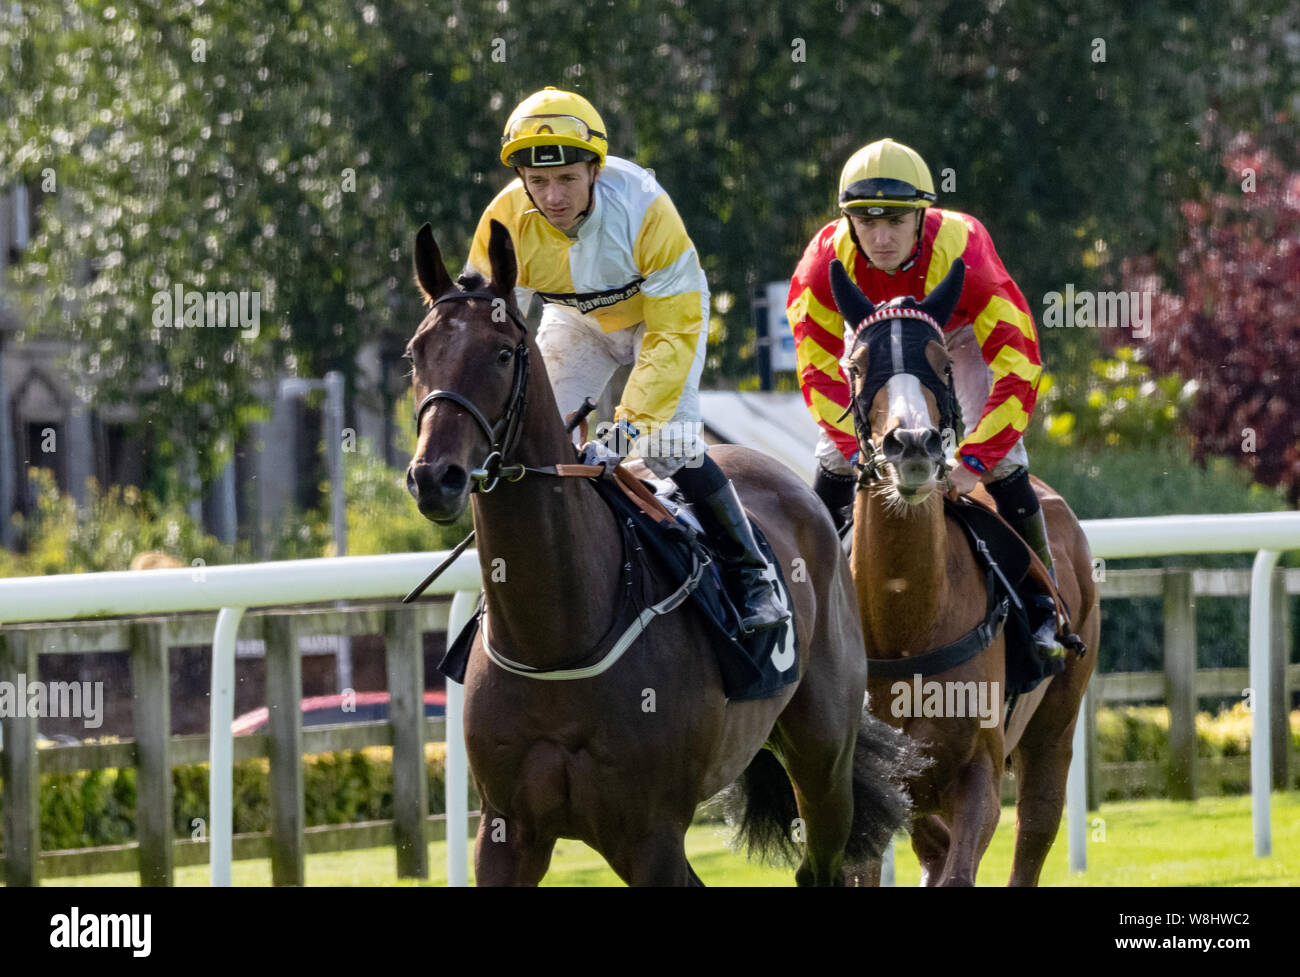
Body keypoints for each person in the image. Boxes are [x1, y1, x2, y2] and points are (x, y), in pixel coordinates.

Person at [465, 86, 787, 634]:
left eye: (567, 178)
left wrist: (626, 428)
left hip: (659, 320)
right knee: (529, 438)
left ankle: (755, 575)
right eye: (538, 182)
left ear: (595, 168)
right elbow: (491, 325)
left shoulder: (644, 207)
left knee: (668, 446)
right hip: (575, 322)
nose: (553, 196)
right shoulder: (504, 220)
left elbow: (670, 336)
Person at [787, 137, 1063, 666]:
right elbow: (816, 368)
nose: (882, 237)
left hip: (959, 339)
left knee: (1006, 459)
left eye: (895, 220)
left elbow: (1019, 362)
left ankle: (1042, 602)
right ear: (848, 222)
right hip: (874, 342)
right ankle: (810, 602)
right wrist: (852, 447)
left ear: (922, 216)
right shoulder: (822, 262)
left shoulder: (965, 247)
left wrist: (974, 460)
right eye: (867, 222)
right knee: (829, 457)